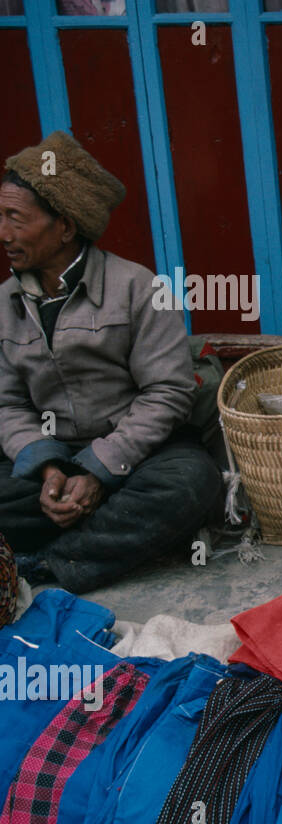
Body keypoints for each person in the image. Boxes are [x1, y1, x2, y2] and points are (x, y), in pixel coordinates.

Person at [0, 131, 222, 593]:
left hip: (138, 456)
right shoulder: (5, 301)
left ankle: (48, 563)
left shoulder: (138, 288)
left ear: (64, 226)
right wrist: (48, 469)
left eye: (15, 219)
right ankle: (96, 536)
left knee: (191, 484)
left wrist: (99, 470)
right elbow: (8, 405)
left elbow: (168, 392)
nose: (4, 234)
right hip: (52, 458)